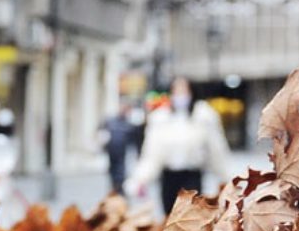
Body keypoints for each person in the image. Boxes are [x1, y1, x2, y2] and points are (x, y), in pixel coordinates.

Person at [128, 76, 231, 214]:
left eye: (184, 90)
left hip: (192, 176)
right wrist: (140, 180)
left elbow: (217, 150)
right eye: (176, 90)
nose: (180, 95)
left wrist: (227, 179)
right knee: (170, 215)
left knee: (191, 217)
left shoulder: (204, 116)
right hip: (169, 177)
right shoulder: (160, 118)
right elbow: (151, 153)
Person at [97, 103, 141, 196]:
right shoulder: (110, 121)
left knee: (121, 173)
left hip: (123, 152)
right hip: (112, 151)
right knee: (113, 172)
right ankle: (115, 190)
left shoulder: (129, 124)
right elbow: (101, 132)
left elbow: (135, 139)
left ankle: (119, 190)